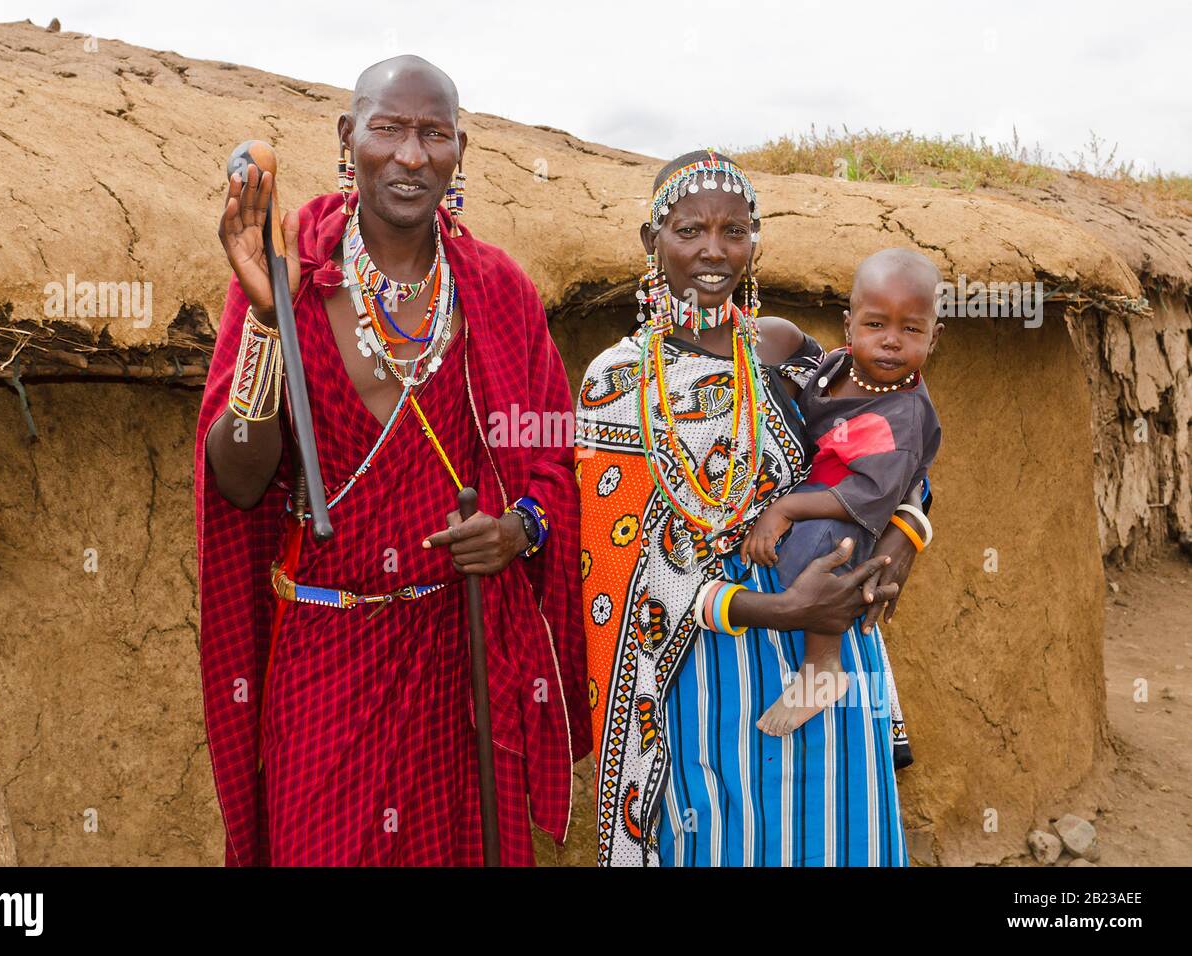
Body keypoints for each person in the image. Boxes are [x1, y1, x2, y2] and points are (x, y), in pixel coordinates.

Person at [194, 55, 587, 866]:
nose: (412, 155)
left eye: (434, 134)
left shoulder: (498, 290)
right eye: (389, 129)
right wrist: (269, 325)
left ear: (460, 150)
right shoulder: (289, 274)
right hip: (326, 651)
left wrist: (520, 530)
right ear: (349, 137)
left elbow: (551, 461)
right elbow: (236, 479)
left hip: (460, 654)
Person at [578, 150, 932, 867]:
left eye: (733, 231)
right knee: (724, 840)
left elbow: (889, 453)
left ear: (754, 240)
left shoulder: (788, 351)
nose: (714, 251)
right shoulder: (614, 383)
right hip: (706, 663)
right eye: (689, 231)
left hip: (829, 644)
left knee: (837, 836)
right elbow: (621, 572)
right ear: (653, 241)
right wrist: (777, 610)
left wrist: (898, 546)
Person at [744, 247, 943, 736]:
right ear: (849, 324)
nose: (892, 342)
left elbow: (870, 496)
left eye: (911, 329)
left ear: (934, 338)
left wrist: (787, 506)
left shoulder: (905, 414)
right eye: (876, 325)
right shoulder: (833, 367)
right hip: (819, 499)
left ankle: (822, 665)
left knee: (828, 553)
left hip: (842, 515)